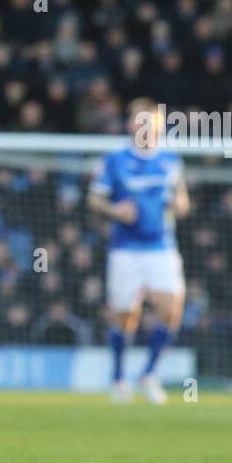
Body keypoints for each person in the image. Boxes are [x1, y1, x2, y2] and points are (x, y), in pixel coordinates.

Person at [87, 97, 191, 404]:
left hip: (161, 247)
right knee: (125, 317)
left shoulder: (171, 161)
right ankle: (118, 379)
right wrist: (115, 210)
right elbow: (94, 199)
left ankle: (149, 375)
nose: (147, 127)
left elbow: (183, 201)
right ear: (131, 125)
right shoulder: (114, 161)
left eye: (153, 122)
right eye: (141, 121)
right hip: (126, 250)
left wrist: (179, 205)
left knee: (171, 309)